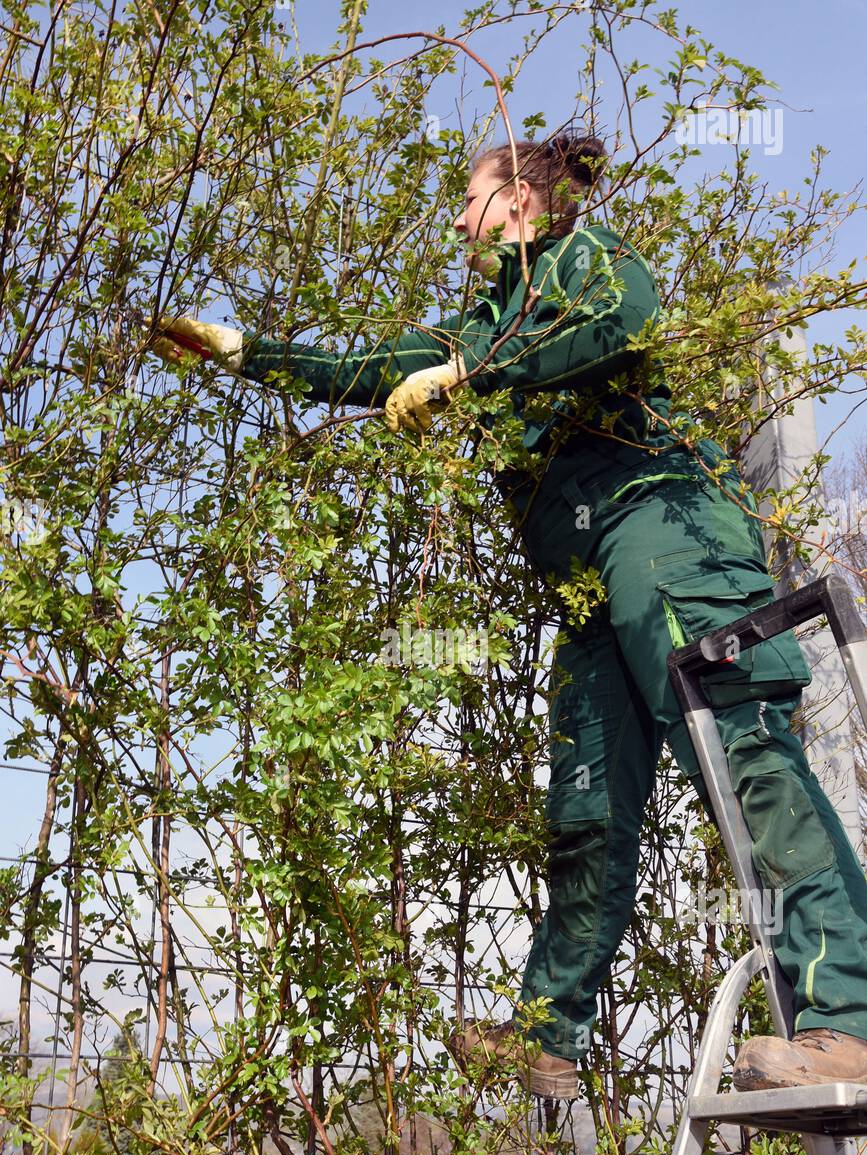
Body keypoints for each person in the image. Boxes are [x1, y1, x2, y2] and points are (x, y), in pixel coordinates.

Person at [148, 128, 867, 1101]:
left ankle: (848, 1021)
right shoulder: (484, 324)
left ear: (523, 203)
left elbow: (619, 323)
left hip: (666, 531)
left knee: (742, 755)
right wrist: (243, 352)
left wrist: (471, 380)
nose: (455, 217)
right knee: (587, 808)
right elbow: (366, 367)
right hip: (586, 588)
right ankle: (552, 1032)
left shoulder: (583, 263)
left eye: (471, 198)